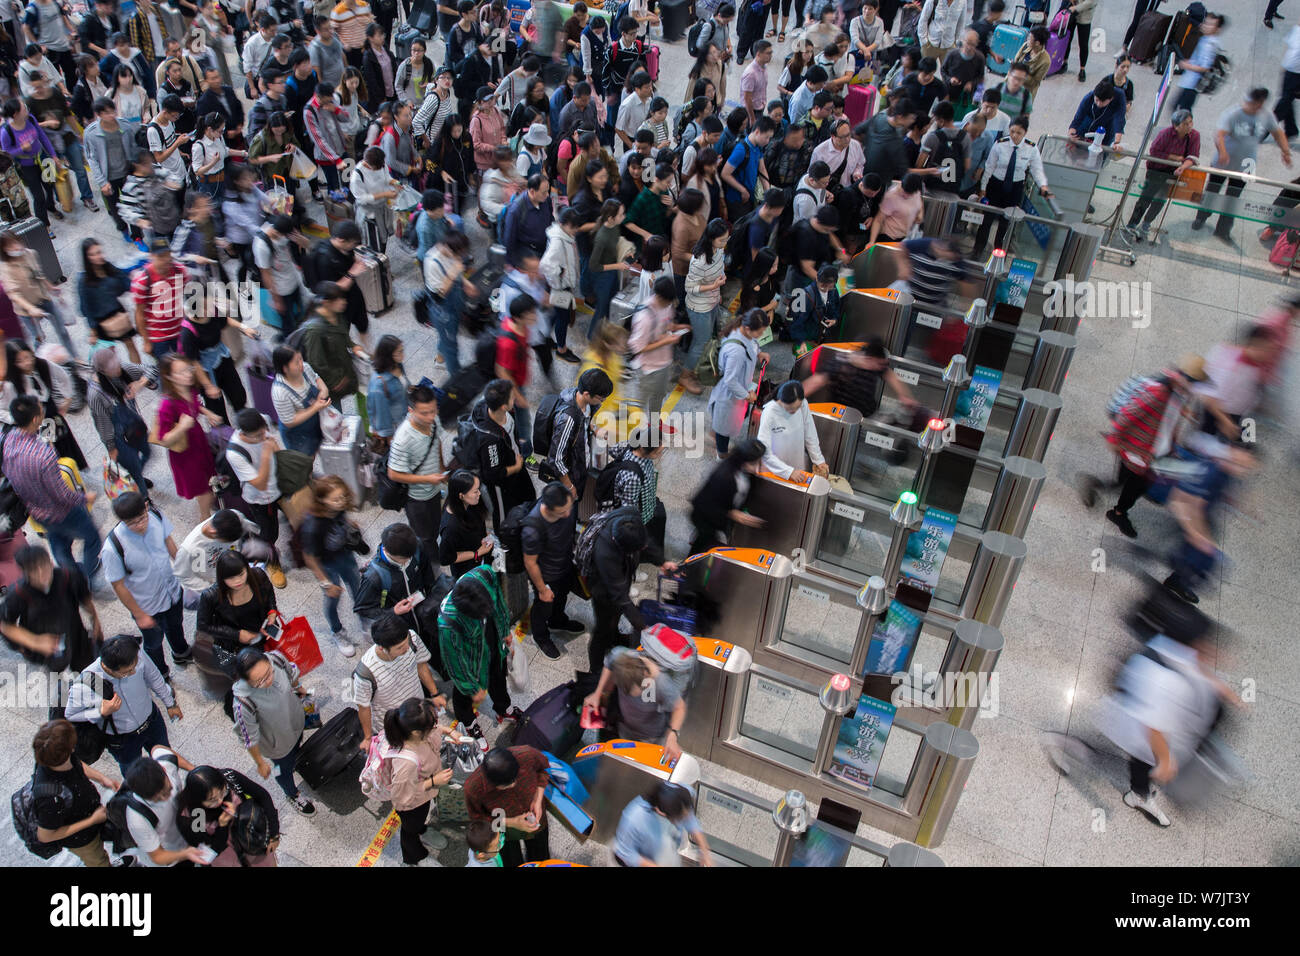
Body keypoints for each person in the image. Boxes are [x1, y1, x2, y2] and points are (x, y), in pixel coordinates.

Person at [1096, 355, 1209, 540]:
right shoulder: (1158, 393)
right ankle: (1117, 513)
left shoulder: (1179, 393)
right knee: (1137, 484)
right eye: (1194, 383)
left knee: (1129, 480)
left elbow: (1170, 418)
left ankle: (1107, 487)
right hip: (1140, 451)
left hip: (1153, 450)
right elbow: (1128, 414)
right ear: (1184, 379)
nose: (1195, 389)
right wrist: (1114, 438)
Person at [64, 635, 183, 774]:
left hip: (152, 722)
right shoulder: (85, 684)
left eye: (134, 667)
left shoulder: (134, 654)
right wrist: (100, 712)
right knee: (132, 772)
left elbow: (154, 677)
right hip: (122, 740)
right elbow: (70, 714)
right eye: (127, 672)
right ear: (110, 668)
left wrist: (170, 704)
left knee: (165, 758)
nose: (134, 672)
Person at [1191, 89, 1293, 244]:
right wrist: (1223, 152)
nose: (1248, 105)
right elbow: (1219, 135)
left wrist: (1285, 151)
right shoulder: (1234, 113)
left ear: (1260, 104)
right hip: (1222, 164)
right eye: (1248, 102)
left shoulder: (1266, 115)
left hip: (1245, 165)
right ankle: (1201, 217)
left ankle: (1223, 230)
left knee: (1233, 198)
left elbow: (1278, 132)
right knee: (1212, 191)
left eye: (1253, 104)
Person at [231, 646, 316, 814]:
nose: (268, 680)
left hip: (295, 724)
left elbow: (291, 675)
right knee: (282, 771)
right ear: (246, 681)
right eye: (260, 681)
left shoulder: (276, 659)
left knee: (296, 750)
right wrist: (260, 763)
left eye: (269, 673)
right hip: (276, 746)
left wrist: (300, 689)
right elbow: (249, 738)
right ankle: (292, 793)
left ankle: (295, 762)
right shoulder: (243, 704)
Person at [439, 565, 522, 732]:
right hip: (468, 649)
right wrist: (472, 688)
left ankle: (503, 708)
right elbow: (456, 666)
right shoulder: (448, 625)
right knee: (464, 693)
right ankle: (468, 723)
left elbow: (498, 601)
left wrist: (504, 629)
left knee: (497, 669)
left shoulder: (485, 574)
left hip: (488, 634)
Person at [353, 610, 449, 753]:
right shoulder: (366, 673)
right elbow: (364, 707)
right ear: (381, 647)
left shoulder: (411, 638)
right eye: (399, 648)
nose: (406, 649)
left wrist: (434, 694)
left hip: (418, 711)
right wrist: (368, 738)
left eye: (406, 643)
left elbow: (421, 666)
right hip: (394, 726)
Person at [1, 542, 102, 675]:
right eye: (33, 569)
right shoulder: (19, 594)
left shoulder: (68, 577)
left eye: (43, 564)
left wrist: (95, 621)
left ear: (50, 561)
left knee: (87, 669)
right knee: (56, 670)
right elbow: (5, 624)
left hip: (74, 632)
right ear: (25, 573)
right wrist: (34, 642)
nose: (41, 572)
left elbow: (85, 600)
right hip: (44, 641)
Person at [28, 719, 118, 867]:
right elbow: (45, 836)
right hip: (81, 839)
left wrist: (102, 778)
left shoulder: (54, 757)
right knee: (98, 861)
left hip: (90, 814)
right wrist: (91, 821)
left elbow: (76, 762)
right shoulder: (50, 798)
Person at [381, 697, 455, 866]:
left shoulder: (415, 733)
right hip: (411, 805)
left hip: (422, 797)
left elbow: (435, 730)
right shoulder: (406, 763)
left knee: (418, 821)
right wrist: (432, 781)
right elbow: (401, 798)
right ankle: (415, 856)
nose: (435, 727)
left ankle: (422, 829)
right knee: (409, 830)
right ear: (416, 732)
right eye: (431, 725)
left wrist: (449, 731)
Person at [225, 408, 290, 589]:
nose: (264, 436)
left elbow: (276, 447)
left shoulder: (262, 420)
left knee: (299, 515)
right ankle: (272, 563)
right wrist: (266, 452)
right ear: (244, 433)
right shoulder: (235, 452)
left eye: (264, 431)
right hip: (261, 498)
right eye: (258, 435)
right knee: (269, 534)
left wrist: (274, 449)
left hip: (281, 485)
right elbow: (259, 484)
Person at [972, 114, 1053, 258]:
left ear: (1025, 133)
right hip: (996, 185)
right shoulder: (1000, 144)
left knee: (1006, 222)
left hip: (1015, 188)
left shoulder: (1031, 149)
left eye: (1019, 133)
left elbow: (1037, 170)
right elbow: (989, 166)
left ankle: (998, 253)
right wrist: (983, 188)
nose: (1014, 135)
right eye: (1012, 131)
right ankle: (978, 249)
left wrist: (1043, 186)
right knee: (987, 219)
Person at [301, 475, 365, 656]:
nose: (341, 502)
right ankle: (337, 632)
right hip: (326, 565)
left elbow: (340, 519)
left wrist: (349, 525)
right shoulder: (313, 526)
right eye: (335, 499)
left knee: (358, 588)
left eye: (343, 497)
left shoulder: (338, 508)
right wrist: (326, 583)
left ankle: (365, 619)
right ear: (322, 500)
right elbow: (309, 558)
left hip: (345, 555)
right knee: (332, 601)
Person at [386, 383, 449, 565]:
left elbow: (436, 442)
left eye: (433, 411)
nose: (431, 417)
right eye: (424, 413)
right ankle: (433, 566)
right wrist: (426, 479)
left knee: (436, 527)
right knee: (426, 537)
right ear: (411, 410)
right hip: (416, 498)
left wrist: (441, 467)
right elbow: (393, 474)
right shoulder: (403, 438)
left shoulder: (433, 421)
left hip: (434, 490)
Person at [520, 481, 583, 659]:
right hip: (546, 574)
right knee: (543, 606)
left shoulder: (565, 502)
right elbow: (530, 563)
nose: (568, 514)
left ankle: (558, 620)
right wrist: (542, 589)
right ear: (548, 508)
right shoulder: (532, 528)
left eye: (569, 508)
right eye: (562, 512)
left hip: (564, 563)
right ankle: (541, 636)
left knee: (562, 595)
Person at [153, 355, 219, 518]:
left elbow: (196, 405)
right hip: (186, 453)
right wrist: (182, 427)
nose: (188, 374)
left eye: (188, 369)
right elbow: (163, 439)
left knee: (209, 481)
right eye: (181, 372)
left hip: (198, 442)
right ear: (168, 376)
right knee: (203, 490)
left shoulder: (190, 389)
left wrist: (207, 412)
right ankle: (205, 520)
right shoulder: (167, 404)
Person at [2, 339, 84, 467]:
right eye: (19, 361)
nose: (27, 363)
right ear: (12, 364)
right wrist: (18, 420)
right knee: (52, 456)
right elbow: (4, 410)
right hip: (35, 423)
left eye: (28, 357)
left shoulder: (42, 365)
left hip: (51, 413)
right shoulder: (10, 385)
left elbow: (63, 376)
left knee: (67, 446)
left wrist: (67, 400)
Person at [464, 745, 550, 867]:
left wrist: (538, 798)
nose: (513, 785)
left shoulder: (527, 754)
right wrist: (511, 822)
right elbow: (478, 819)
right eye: (505, 786)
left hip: (536, 819)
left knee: (541, 858)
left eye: (515, 778)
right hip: (503, 833)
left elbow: (543, 770)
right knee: (512, 861)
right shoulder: (473, 788)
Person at [355, 522, 440, 643]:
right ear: (386, 550)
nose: (408, 561)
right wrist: (393, 612)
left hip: (423, 612)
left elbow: (427, 574)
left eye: (410, 557)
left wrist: (431, 595)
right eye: (403, 559)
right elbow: (363, 609)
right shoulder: (374, 576)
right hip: (402, 625)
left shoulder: (415, 547)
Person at [1124, 108, 1200, 243]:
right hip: (1156, 171)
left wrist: (1182, 166)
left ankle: (1147, 222)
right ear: (1176, 126)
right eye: (1185, 124)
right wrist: (1174, 158)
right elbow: (1154, 151)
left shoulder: (1194, 136)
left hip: (1173, 174)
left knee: (1160, 200)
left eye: (1190, 122)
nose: (1189, 126)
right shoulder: (1165, 134)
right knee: (1145, 198)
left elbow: (1193, 156)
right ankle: (1133, 223)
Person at [467, 379, 536, 527]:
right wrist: (516, 468)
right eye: (512, 397)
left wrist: (518, 441)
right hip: (502, 482)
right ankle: (505, 542)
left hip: (515, 461)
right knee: (505, 513)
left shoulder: (493, 406)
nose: (515, 397)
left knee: (529, 495)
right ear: (504, 406)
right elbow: (492, 474)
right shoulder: (489, 440)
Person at [176, 763, 280, 859]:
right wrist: (222, 826)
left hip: (255, 843)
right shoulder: (192, 816)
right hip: (228, 859)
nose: (220, 800)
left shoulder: (228, 777)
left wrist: (274, 833)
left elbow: (262, 795)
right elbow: (208, 852)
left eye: (222, 792)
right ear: (198, 800)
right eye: (212, 800)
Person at [688, 436, 767, 556]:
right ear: (742, 460)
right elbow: (706, 505)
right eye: (753, 464)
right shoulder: (723, 476)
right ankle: (687, 567)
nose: (757, 469)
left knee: (706, 536)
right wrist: (731, 513)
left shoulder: (744, 471)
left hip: (721, 513)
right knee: (704, 539)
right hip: (706, 517)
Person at [0, 231, 73, 356]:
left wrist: (50, 287)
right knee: (38, 339)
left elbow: (38, 275)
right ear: (4, 250)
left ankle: (74, 357)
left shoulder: (30, 254)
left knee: (62, 331)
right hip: (25, 310)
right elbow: (14, 294)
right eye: (10, 246)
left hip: (44, 299)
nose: (16, 247)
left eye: (16, 242)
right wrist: (30, 309)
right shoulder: (5, 268)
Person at [709, 309, 770, 457]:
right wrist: (746, 395)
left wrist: (759, 353)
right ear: (748, 328)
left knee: (728, 421)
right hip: (729, 394)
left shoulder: (742, 330)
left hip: (740, 388)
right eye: (759, 332)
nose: (761, 335)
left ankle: (715, 432)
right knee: (724, 428)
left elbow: (752, 344)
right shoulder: (736, 351)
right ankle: (722, 454)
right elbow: (730, 380)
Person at [298, 281, 364, 413]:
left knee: (350, 406)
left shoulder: (336, 314)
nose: (344, 302)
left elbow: (343, 334)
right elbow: (315, 362)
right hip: (333, 385)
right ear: (326, 303)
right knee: (340, 415)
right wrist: (335, 381)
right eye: (339, 299)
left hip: (345, 372)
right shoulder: (315, 330)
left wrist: (353, 345)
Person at [613, 782, 714, 867]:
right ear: (661, 812)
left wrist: (704, 851)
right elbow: (626, 854)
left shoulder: (680, 794)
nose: (685, 819)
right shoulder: (634, 819)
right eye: (680, 818)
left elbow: (690, 819)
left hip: (665, 851)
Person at [303, 220, 370, 342]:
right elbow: (334, 289)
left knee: (362, 323)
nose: (354, 246)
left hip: (353, 293)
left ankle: (367, 348)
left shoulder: (343, 247)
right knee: (343, 331)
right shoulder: (325, 259)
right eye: (353, 243)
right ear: (341, 240)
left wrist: (357, 262)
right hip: (337, 301)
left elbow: (350, 256)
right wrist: (352, 273)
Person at [172, 508, 263, 597]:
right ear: (213, 532)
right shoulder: (190, 549)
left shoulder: (233, 516)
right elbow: (184, 576)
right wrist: (214, 590)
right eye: (226, 541)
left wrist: (256, 549)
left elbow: (249, 527)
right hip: (217, 588)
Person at [423, 230, 477, 375]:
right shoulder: (431, 262)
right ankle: (456, 378)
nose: (461, 257)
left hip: (456, 300)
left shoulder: (454, 254)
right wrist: (453, 273)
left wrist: (465, 283)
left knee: (449, 335)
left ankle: (440, 359)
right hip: (443, 311)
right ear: (446, 247)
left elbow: (457, 273)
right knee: (452, 346)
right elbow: (439, 296)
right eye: (459, 253)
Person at [757, 379, 829, 479]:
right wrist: (788, 472)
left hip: (797, 468)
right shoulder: (769, 413)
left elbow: (810, 431)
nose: (795, 411)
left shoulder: (802, 403)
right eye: (791, 408)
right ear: (782, 400)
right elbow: (764, 450)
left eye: (797, 407)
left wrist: (818, 459)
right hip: (774, 471)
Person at [438, 470, 493, 581]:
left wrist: (486, 535)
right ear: (461, 495)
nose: (479, 493)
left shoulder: (471, 503)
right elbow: (445, 558)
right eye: (475, 491)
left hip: (482, 558)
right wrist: (476, 554)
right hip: (468, 572)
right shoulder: (450, 528)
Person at [1170, 12, 1224, 115]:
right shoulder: (1206, 39)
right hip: (1191, 81)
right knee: (1180, 108)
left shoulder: (1209, 45)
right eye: (1206, 23)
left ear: (1217, 29)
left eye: (1210, 24)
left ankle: (1183, 129)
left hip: (1193, 83)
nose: (1206, 26)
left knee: (1182, 110)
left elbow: (1205, 67)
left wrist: (1187, 65)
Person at [367, 334, 409, 448]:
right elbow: (381, 415)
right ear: (388, 356)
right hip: (396, 425)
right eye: (399, 352)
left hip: (405, 415)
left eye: (402, 350)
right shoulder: (379, 385)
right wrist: (391, 439)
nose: (403, 355)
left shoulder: (397, 365)